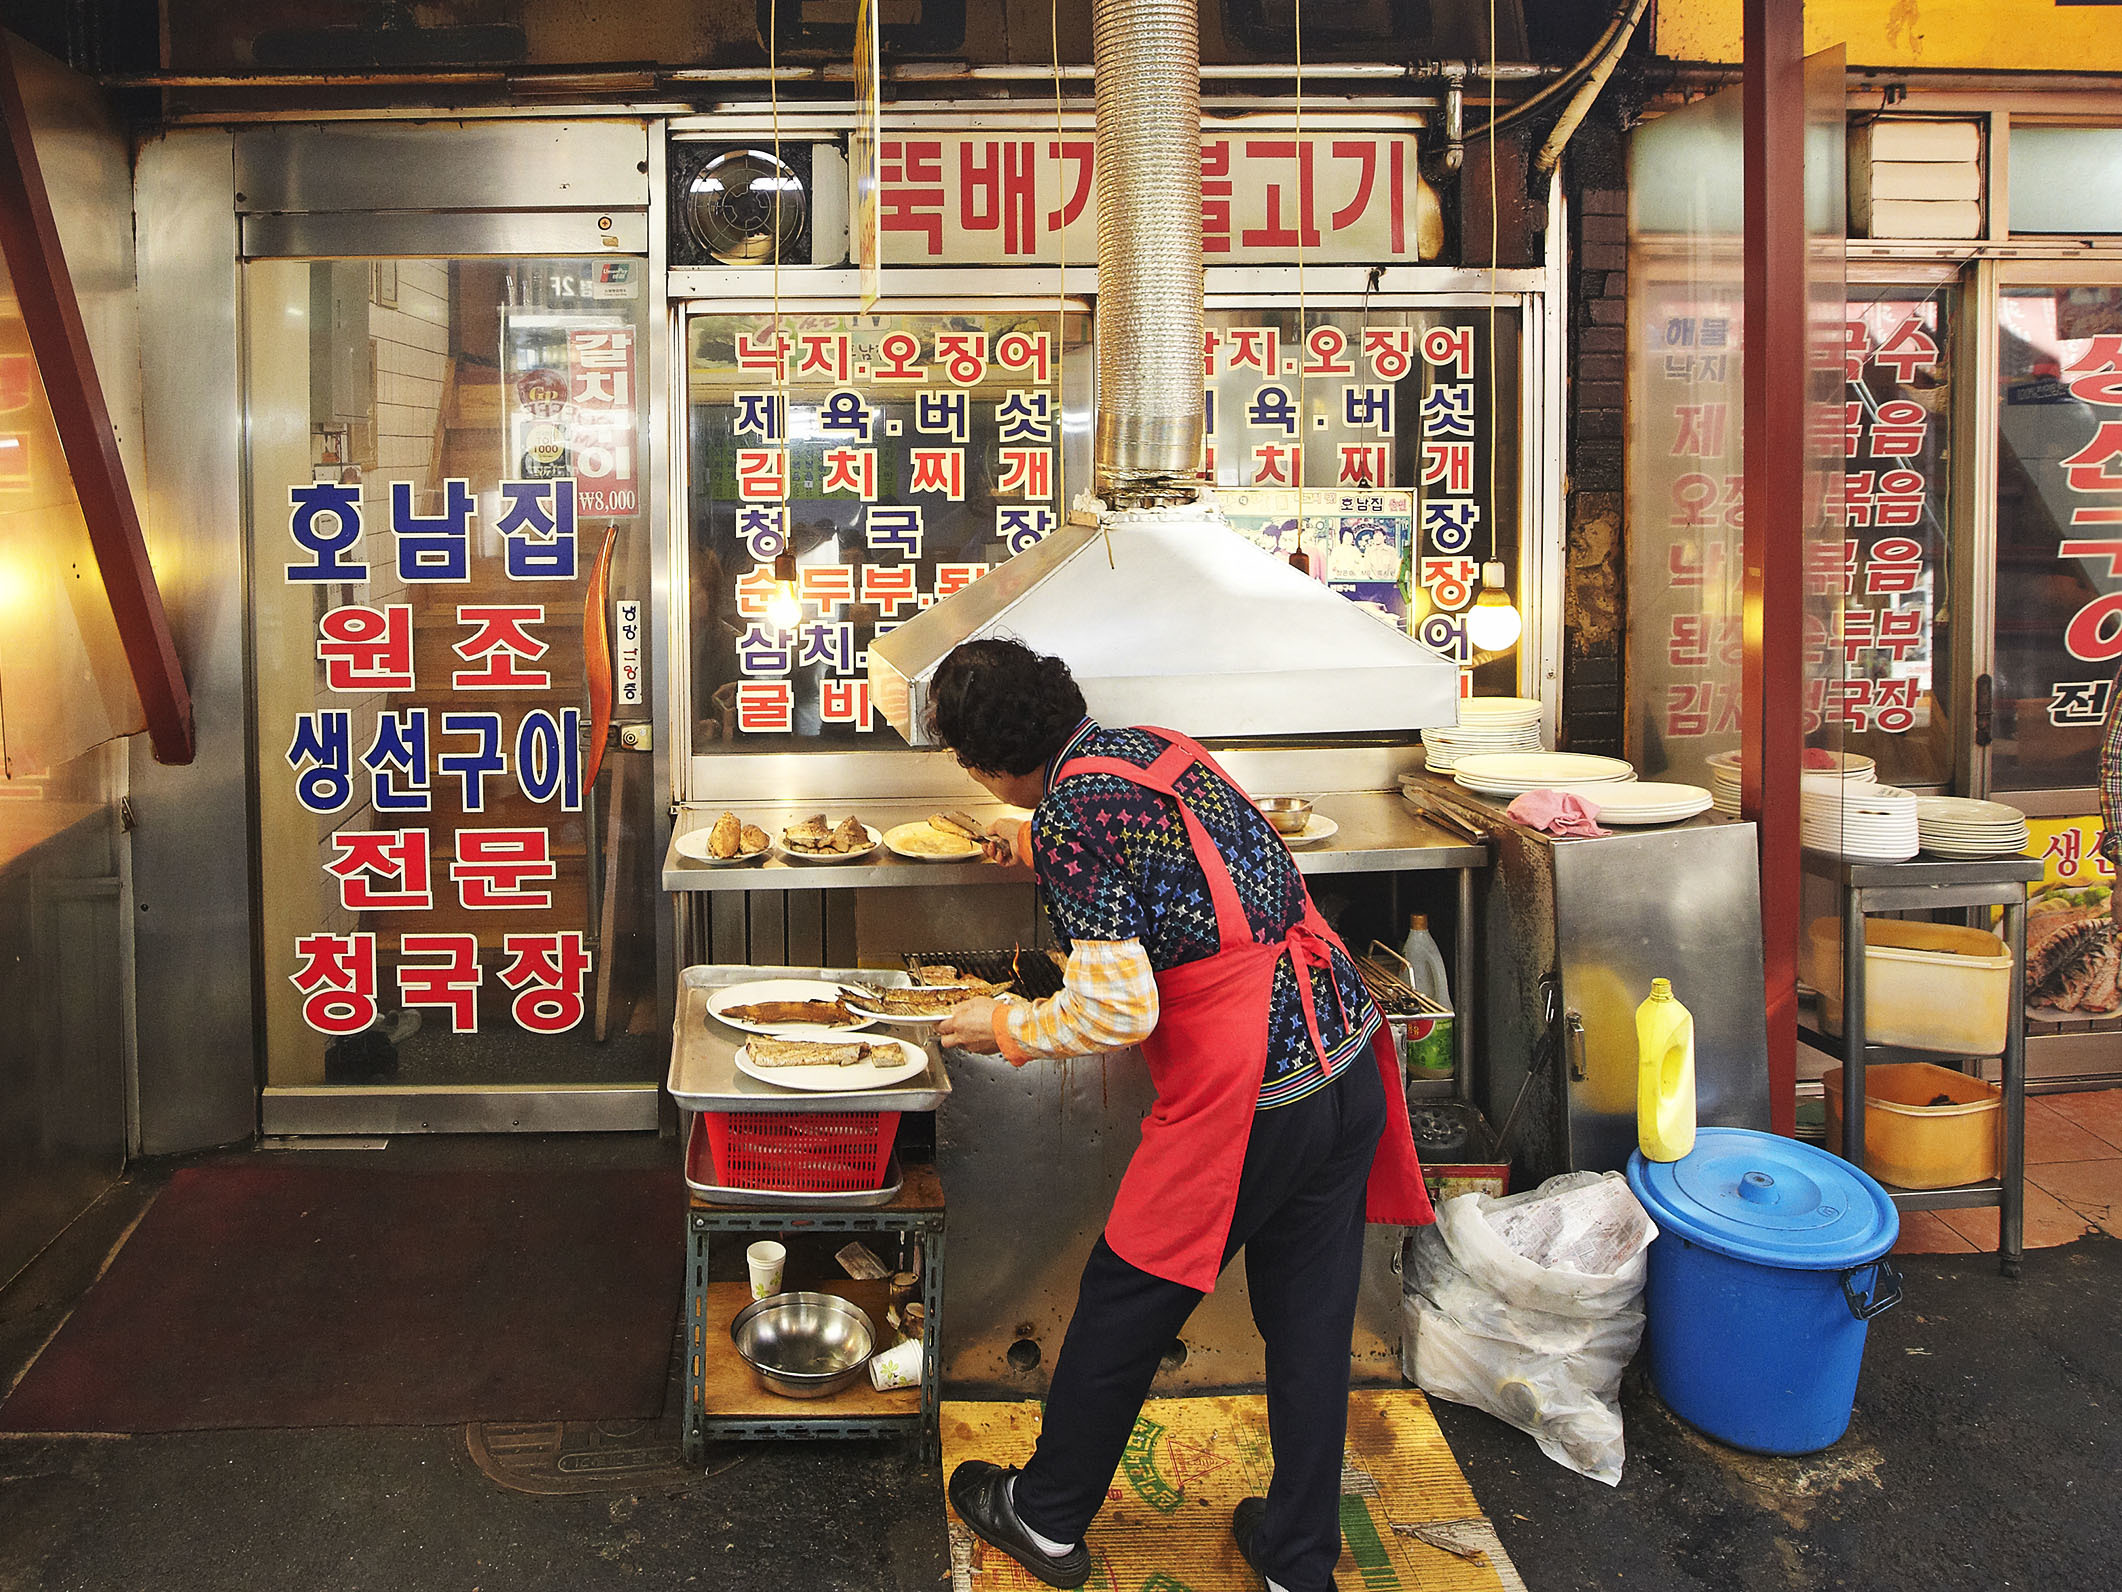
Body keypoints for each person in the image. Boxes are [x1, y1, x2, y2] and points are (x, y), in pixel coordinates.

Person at [930, 638, 1433, 1592]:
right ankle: (1297, 1555)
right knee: (1313, 1324)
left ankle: (1043, 1519)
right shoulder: (1154, 749)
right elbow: (1185, 869)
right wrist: (1034, 842)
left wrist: (1005, 1022)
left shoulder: (1071, 815)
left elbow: (1120, 1009)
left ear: (986, 766)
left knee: (1127, 1297)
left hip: (1252, 1095)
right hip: (1342, 1060)